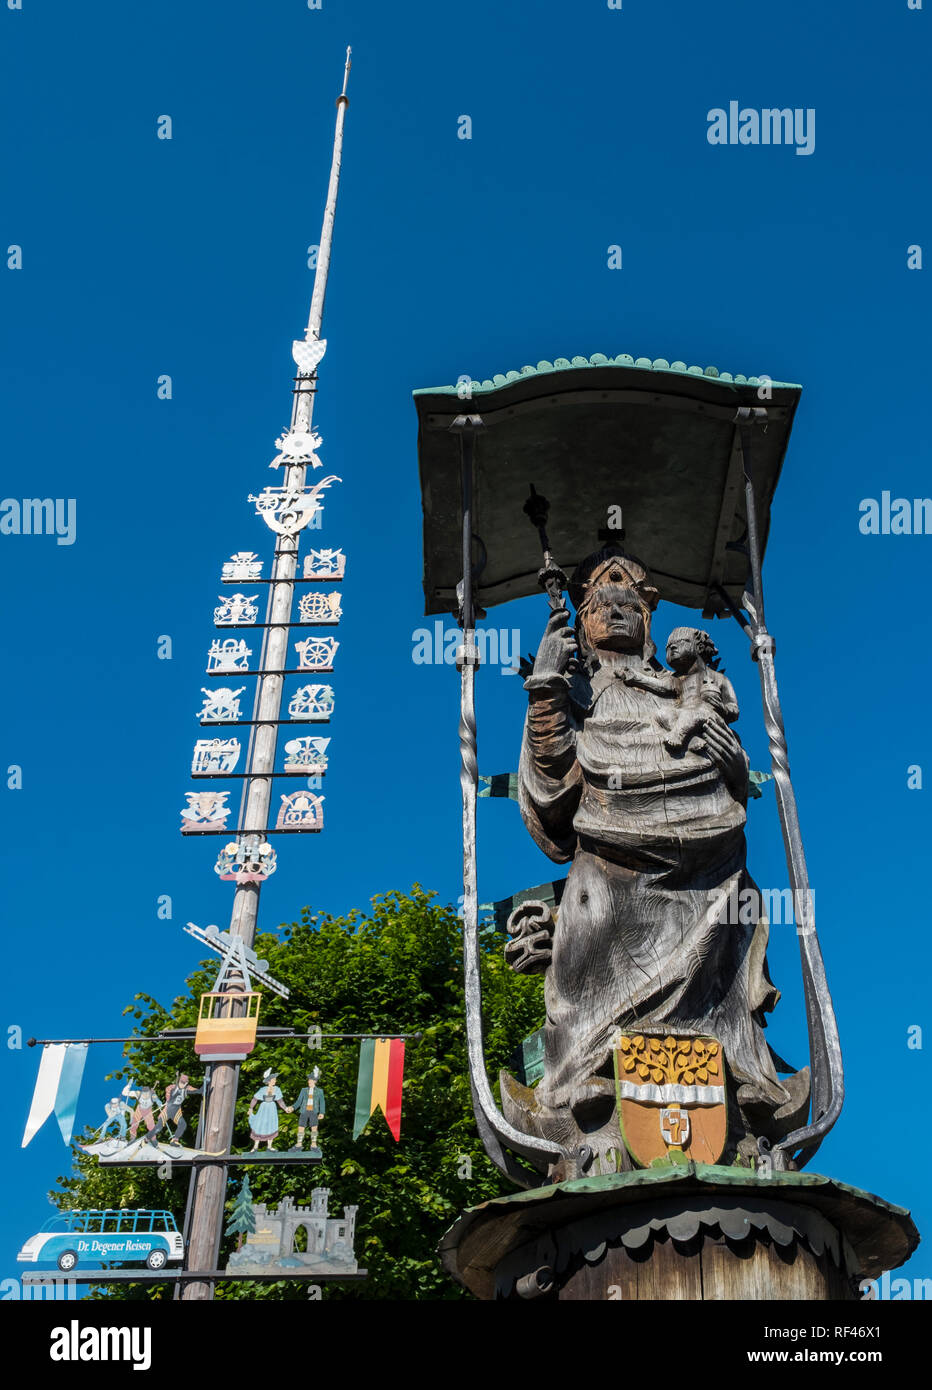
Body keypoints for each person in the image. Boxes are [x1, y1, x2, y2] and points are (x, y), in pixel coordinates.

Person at [504, 546, 809, 1172]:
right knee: (591, 964)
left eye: (629, 604)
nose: (616, 613)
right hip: (606, 868)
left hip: (708, 866)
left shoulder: (684, 688)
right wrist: (545, 690)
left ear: (648, 616)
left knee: (721, 953)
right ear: (581, 620)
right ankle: (589, 1094)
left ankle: (733, 1095)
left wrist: (727, 763)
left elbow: (730, 771)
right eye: (601, 605)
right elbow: (553, 793)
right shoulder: (576, 695)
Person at [152, 1073, 203, 1148]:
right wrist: (168, 1099)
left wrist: (206, 1083)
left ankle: (175, 1140)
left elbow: (198, 1091)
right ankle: (151, 1138)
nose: (182, 1084)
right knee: (160, 1125)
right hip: (168, 1109)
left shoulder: (187, 1088)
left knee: (182, 1124)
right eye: (181, 1082)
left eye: (184, 1083)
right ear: (178, 1081)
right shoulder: (172, 1087)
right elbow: (168, 1090)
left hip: (176, 1111)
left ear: (187, 1083)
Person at [247, 1069, 291, 1151]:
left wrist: (285, 1108)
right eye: (274, 1079)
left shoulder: (277, 1089)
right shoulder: (263, 1089)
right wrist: (251, 1108)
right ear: (269, 1081)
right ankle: (255, 1146)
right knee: (259, 1124)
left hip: (272, 1109)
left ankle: (269, 1146)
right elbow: (254, 1099)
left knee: (271, 1125)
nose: (275, 1081)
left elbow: (280, 1101)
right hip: (263, 1108)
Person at [290, 1068, 325, 1153]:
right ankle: (299, 1144)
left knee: (314, 1128)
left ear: (315, 1081)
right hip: (304, 1111)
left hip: (314, 1111)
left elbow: (322, 1102)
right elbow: (299, 1101)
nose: (309, 1081)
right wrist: (293, 1107)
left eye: (311, 1080)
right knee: (301, 1128)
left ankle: (313, 1145)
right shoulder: (303, 1090)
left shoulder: (320, 1091)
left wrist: (322, 1112)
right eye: (309, 1080)